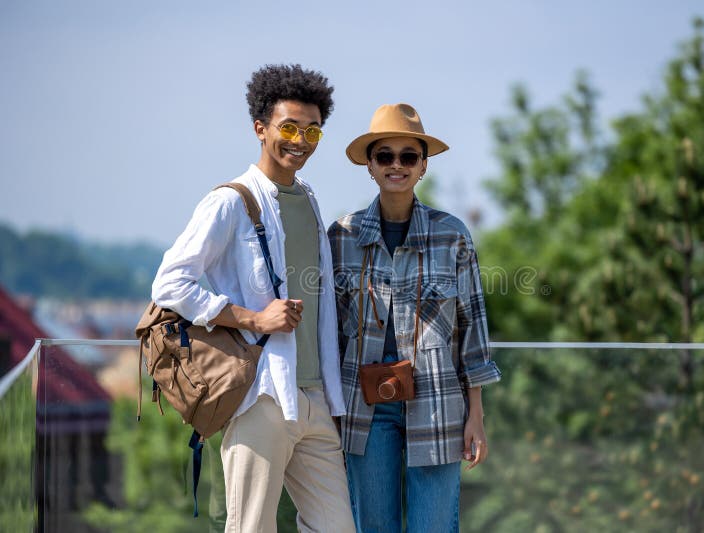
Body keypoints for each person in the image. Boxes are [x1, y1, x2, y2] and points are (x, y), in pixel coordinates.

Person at [151, 64, 355, 533]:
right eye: (288, 128)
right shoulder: (230, 201)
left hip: (314, 398)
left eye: (312, 132)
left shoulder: (308, 198)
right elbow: (170, 283)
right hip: (260, 396)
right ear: (260, 128)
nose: (299, 141)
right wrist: (254, 319)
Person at [328, 103, 502, 532]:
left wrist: (476, 416)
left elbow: (471, 329)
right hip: (364, 411)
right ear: (369, 165)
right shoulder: (341, 238)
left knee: (435, 526)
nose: (396, 165)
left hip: (439, 404)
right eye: (384, 155)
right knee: (373, 527)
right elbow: (328, 336)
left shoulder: (452, 235)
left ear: (423, 165)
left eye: (409, 156)